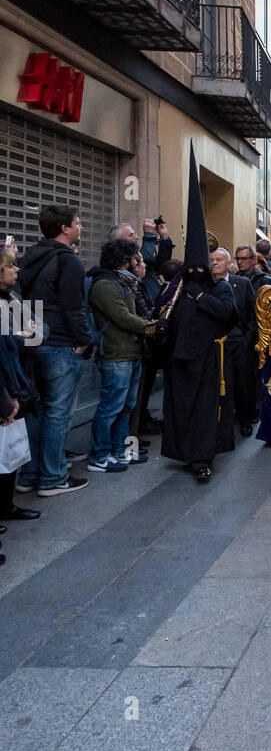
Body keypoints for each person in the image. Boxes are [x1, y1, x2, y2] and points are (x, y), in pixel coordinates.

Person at [17, 203, 90, 496]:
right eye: (77, 222)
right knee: (58, 414)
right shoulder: (68, 261)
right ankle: (53, 478)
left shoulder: (27, 259)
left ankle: (30, 475)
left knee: (36, 412)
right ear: (64, 228)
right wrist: (84, 340)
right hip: (60, 344)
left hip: (33, 343)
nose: (80, 227)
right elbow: (74, 307)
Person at [160, 252, 237, 483]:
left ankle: (202, 459)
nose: (197, 273)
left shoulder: (220, 288)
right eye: (192, 268)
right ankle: (184, 451)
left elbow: (226, 313)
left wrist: (202, 296)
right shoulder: (180, 289)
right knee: (181, 408)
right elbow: (167, 311)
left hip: (207, 360)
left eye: (201, 268)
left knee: (204, 410)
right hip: (179, 359)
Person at [86, 239, 161, 474]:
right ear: (123, 261)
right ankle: (99, 455)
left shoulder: (123, 282)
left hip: (130, 352)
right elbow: (123, 317)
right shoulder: (105, 285)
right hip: (116, 354)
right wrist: (152, 326)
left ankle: (120, 451)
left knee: (126, 407)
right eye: (135, 259)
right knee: (111, 407)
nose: (139, 262)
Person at [0, 247, 40, 527]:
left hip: (16, 380)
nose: (17, 271)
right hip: (6, 384)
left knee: (10, 451)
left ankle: (6, 504)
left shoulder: (12, 296)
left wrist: (22, 335)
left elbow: (35, 332)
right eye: (11, 266)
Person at [211, 247, 259, 436]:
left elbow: (253, 314)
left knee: (243, 383)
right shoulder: (207, 286)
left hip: (239, 341)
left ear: (228, 264)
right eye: (212, 259)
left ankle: (245, 419)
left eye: (219, 260)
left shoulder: (243, 283)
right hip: (216, 342)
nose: (214, 263)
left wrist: (248, 339)